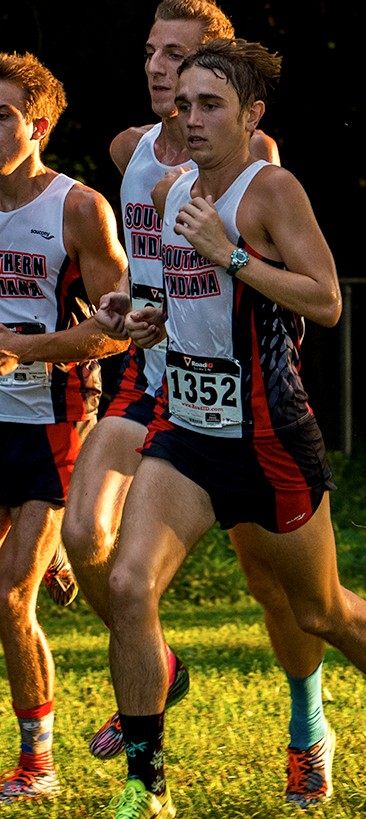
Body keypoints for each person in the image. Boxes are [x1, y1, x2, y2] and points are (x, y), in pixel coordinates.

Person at [95, 38, 366, 818]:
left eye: (210, 104)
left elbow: (326, 300)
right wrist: (142, 316)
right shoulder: (170, 190)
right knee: (127, 583)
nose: (191, 118)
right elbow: (183, 301)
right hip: (185, 431)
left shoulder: (271, 191)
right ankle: (145, 786)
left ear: (251, 115)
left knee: (320, 609)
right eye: (184, 104)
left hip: (268, 437)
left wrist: (229, 255)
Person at [58, 1, 335, 808]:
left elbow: (282, 281)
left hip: (234, 391)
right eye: (150, 51)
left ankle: (307, 725)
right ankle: (157, 676)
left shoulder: (257, 165)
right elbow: (146, 269)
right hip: (151, 373)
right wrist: (127, 307)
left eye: (175, 56)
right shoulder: (128, 150)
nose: (156, 68)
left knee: (272, 584)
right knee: (85, 535)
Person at [0, 51, 130, 803]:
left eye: (2, 115)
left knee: (9, 597)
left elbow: (117, 332)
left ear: (39, 126)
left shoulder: (79, 208)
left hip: (55, 418)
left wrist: (23, 350)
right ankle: (54, 557)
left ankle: (37, 764)